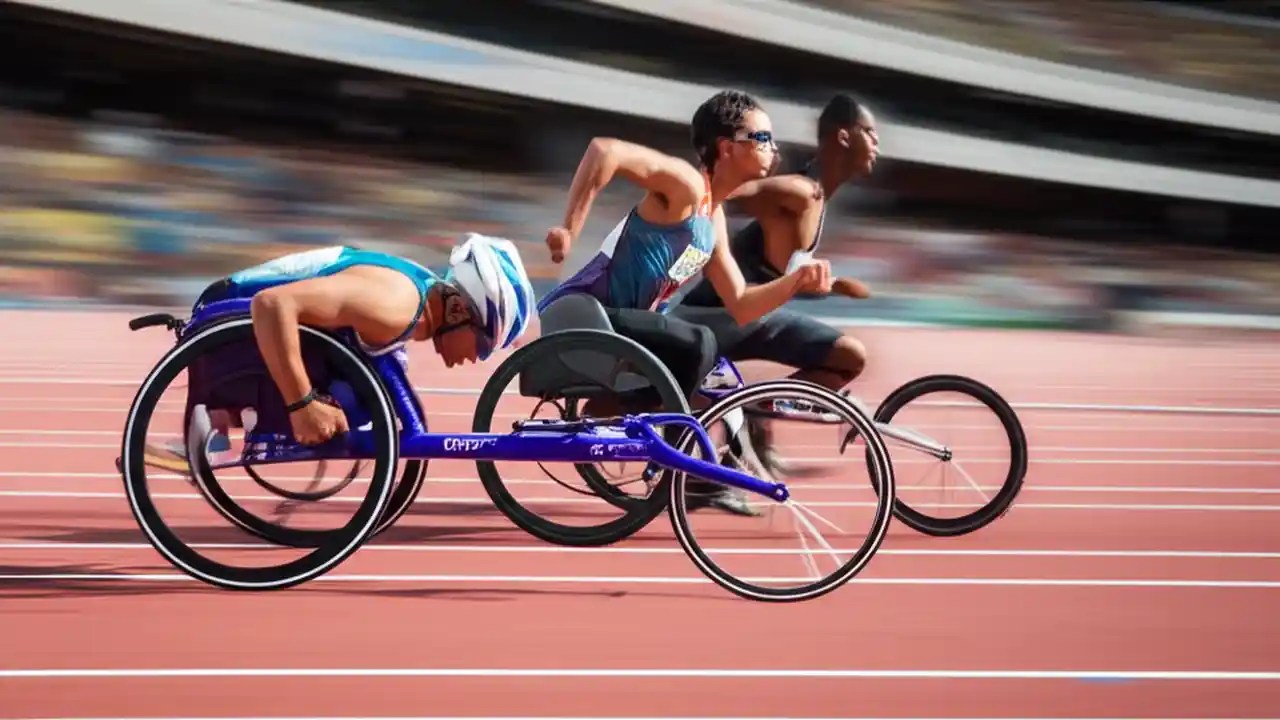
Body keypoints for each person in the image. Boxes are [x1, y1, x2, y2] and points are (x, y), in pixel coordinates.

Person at [539, 89, 833, 515]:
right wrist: (569, 229)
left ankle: (634, 425)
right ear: (727, 147)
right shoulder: (686, 185)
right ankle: (661, 444)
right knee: (697, 342)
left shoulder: (711, 221)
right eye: (763, 138)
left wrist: (796, 281)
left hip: (624, 329)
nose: (775, 149)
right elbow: (605, 150)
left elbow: (742, 304)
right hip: (584, 314)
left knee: (719, 374)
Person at [136, 234, 536, 473]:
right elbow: (272, 306)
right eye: (483, 344)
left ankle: (220, 422)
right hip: (230, 318)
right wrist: (302, 404)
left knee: (370, 387)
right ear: (458, 309)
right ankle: (223, 418)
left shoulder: (417, 300)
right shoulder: (393, 304)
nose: (475, 358)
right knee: (353, 399)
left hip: (250, 319)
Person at [670, 93, 880, 482]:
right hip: (717, 313)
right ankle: (756, 410)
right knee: (849, 354)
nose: (878, 143)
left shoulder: (814, 198)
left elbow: (782, 271)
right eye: (869, 132)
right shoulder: (797, 191)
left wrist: (833, 286)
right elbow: (714, 189)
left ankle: (757, 417)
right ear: (843, 138)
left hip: (744, 314)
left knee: (847, 356)